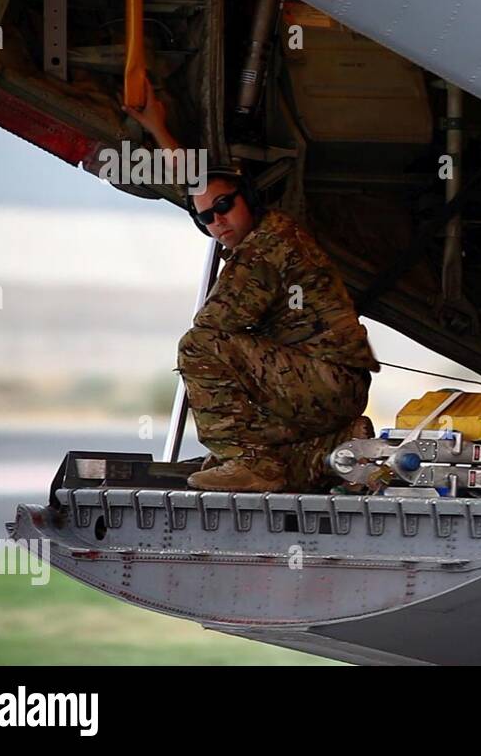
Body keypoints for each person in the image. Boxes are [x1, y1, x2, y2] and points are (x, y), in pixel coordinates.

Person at [127, 87, 379, 492]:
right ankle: (336, 447)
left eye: (224, 207)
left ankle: (250, 462)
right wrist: (159, 129)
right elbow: (199, 187)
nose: (217, 221)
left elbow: (213, 325)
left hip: (324, 380)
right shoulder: (270, 234)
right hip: (330, 386)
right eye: (206, 218)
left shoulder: (267, 246)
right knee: (260, 458)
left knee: (199, 348)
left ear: (247, 198)